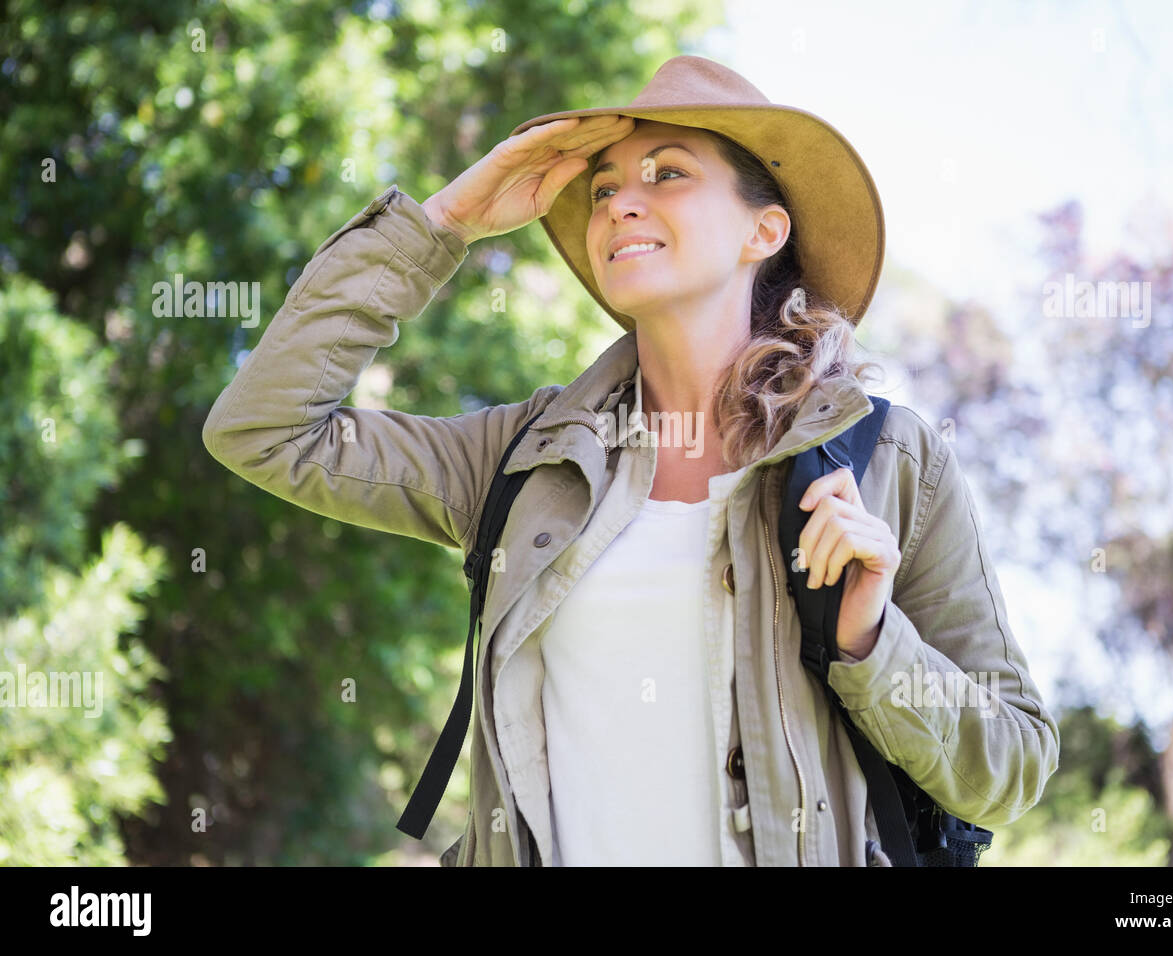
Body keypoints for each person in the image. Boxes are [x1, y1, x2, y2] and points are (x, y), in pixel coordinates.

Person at [203, 55, 1060, 867]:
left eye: (668, 173)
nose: (618, 203)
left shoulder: (890, 458)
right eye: (605, 185)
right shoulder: (521, 459)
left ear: (764, 229)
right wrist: (444, 223)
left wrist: (872, 642)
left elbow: (1014, 768)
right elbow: (263, 428)